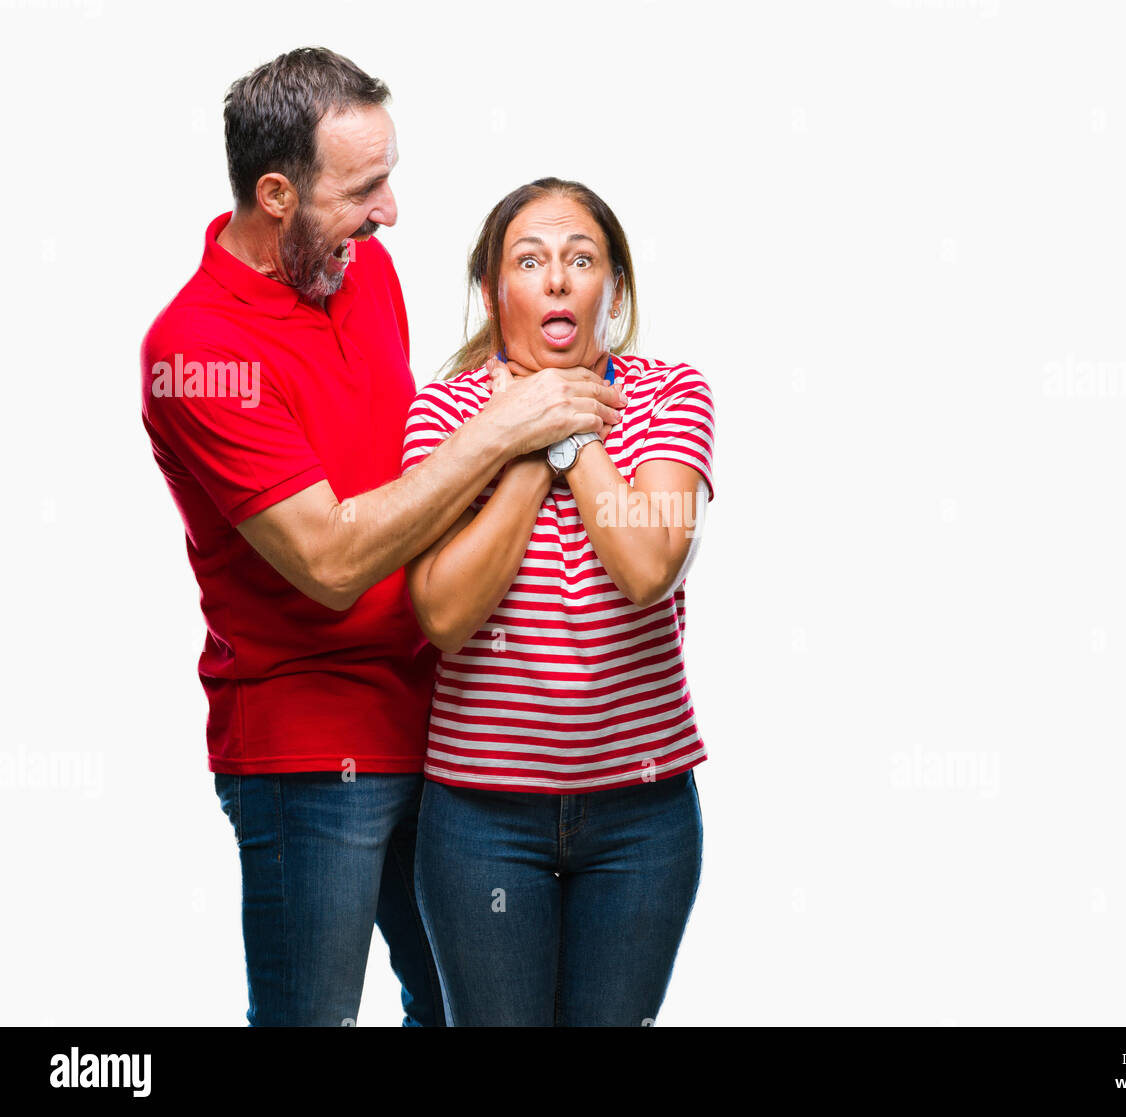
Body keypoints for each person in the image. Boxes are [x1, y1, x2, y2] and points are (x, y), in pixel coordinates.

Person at [139, 52, 625, 1026]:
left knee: (465, 1008)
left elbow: (415, 465)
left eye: (390, 178)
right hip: (309, 754)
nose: (391, 212)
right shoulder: (194, 352)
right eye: (363, 189)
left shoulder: (365, 275)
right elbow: (329, 559)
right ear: (276, 194)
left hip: (444, 727)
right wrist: (510, 429)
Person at [403, 177, 715, 1026]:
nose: (557, 279)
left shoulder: (670, 394)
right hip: (479, 820)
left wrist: (571, 435)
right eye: (530, 260)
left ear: (613, 289)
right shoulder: (443, 410)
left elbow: (650, 564)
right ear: (491, 292)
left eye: (582, 260)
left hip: (641, 819)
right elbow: (444, 612)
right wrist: (525, 438)